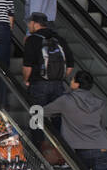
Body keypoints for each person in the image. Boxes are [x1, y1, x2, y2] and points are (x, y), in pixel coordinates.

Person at [21, 12, 73, 145]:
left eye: (29, 23)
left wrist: (26, 80)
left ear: (35, 23)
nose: (28, 25)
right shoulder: (59, 39)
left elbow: (27, 66)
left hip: (38, 85)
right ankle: (61, 152)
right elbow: (69, 67)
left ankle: (38, 150)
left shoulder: (32, 40)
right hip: (58, 86)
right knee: (57, 119)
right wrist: (57, 76)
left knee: (37, 118)